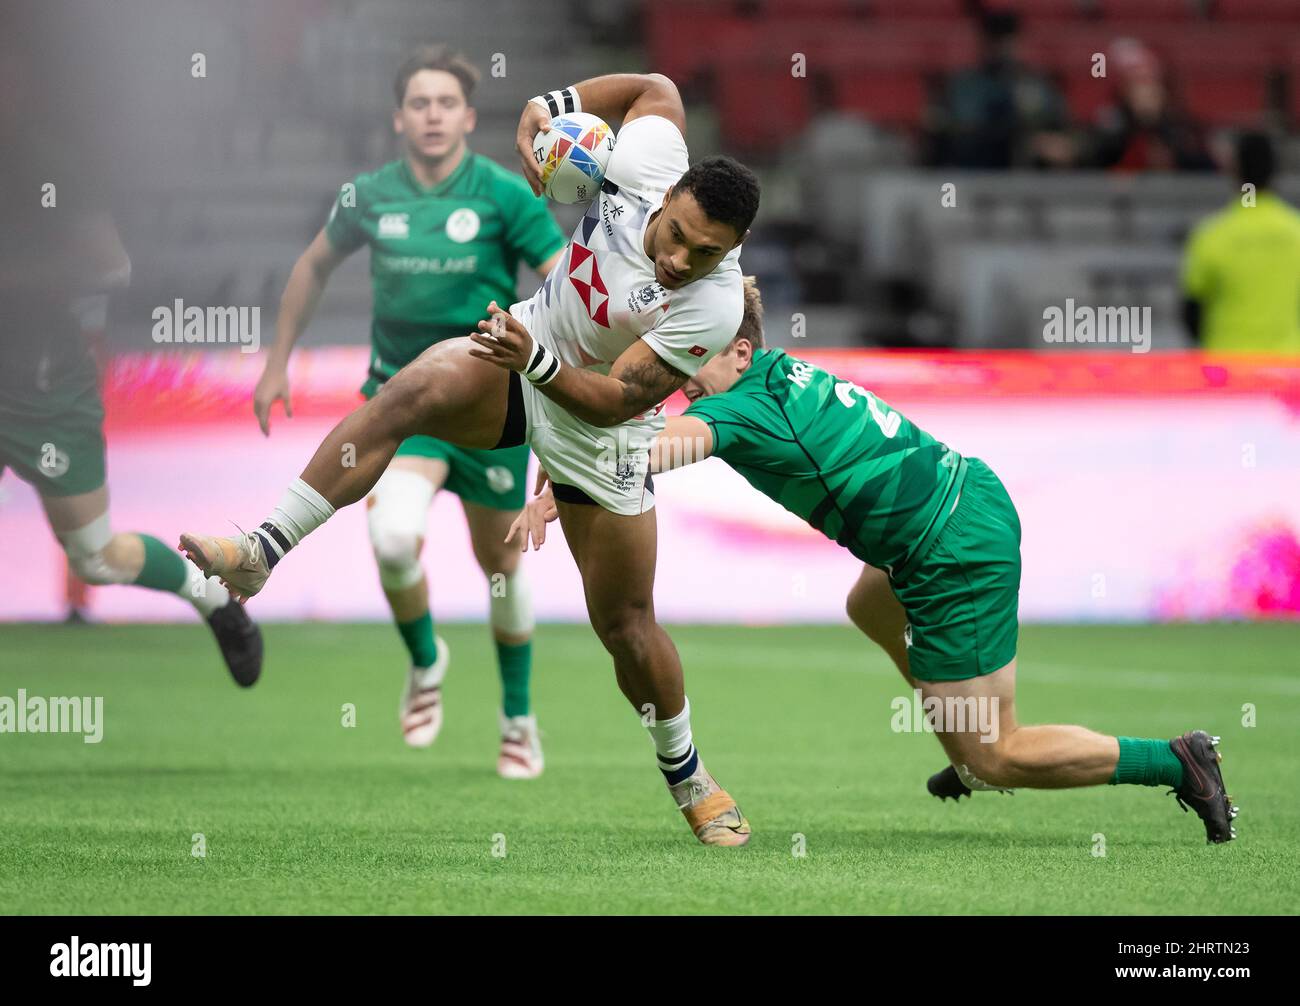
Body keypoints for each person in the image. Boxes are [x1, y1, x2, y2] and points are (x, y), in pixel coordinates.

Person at [180, 72, 764, 847]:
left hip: (599, 430)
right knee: (408, 393)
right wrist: (544, 111)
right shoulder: (650, 152)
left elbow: (618, 401)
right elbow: (656, 86)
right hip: (531, 348)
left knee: (625, 626)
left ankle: (686, 772)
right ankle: (264, 548)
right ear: (667, 195)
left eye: (707, 251)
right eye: (678, 234)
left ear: (733, 251)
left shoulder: (715, 305)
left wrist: (538, 363)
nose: (681, 258)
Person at [508, 277, 1237, 845]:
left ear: (739, 350)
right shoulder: (774, 373)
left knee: (997, 754)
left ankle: (1176, 759)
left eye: (692, 355)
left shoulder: (736, 410)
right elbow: (659, 434)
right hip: (961, 501)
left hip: (952, 550)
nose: (680, 373)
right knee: (868, 603)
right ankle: (960, 727)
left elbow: (660, 450)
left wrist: (566, 476)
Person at [252, 46, 568, 776]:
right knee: (394, 539)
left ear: (465, 115)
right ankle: (427, 662)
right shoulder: (367, 196)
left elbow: (560, 282)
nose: (432, 115)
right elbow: (311, 266)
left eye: (446, 103)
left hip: (491, 409)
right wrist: (276, 362)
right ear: (400, 118)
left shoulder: (504, 194)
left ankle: (518, 717)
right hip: (399, 410)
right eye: (419, 104)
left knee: (502, 567)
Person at [1182, 131, 1300, 354]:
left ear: (1234, 170)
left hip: (1228, 370)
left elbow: (1191, 316)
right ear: (1274, 171)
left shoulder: (1212, 235)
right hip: (1287, 369)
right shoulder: (1296, 232)